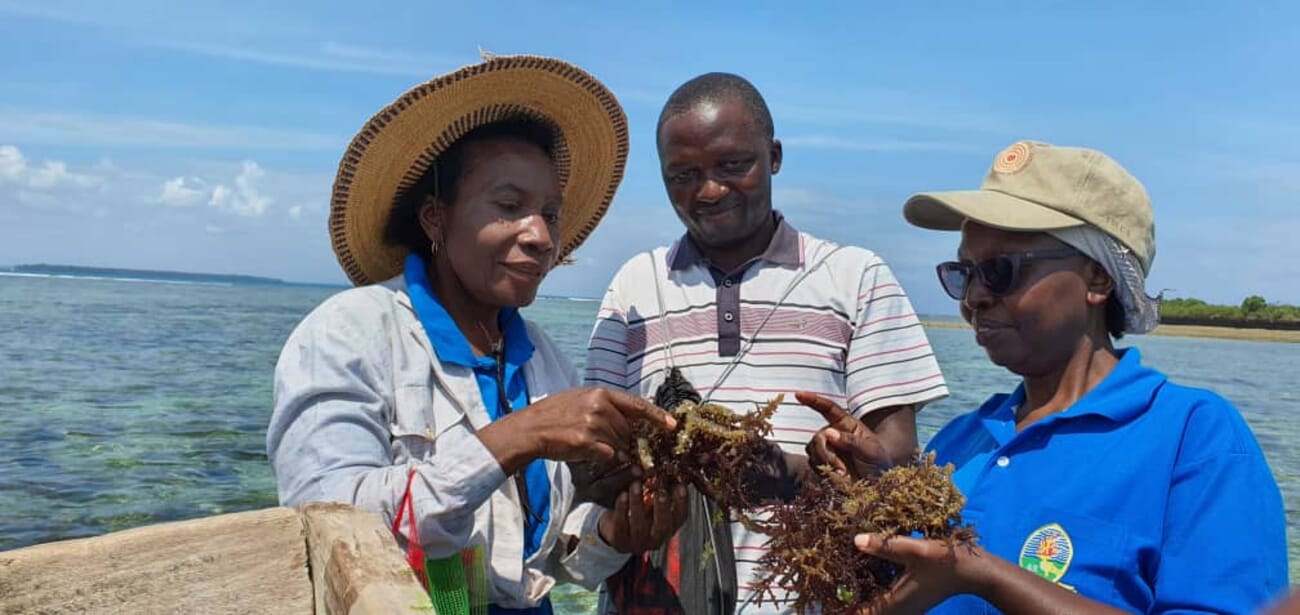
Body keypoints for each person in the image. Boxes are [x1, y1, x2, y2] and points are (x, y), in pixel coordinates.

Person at [266, 55, 687, 614]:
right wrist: (517, 437)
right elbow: (324, 527)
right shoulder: (350, 334)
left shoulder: (542, 361)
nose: (541, 235)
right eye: (509, 206)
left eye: (551, 214)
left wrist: (615, 532)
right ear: (435, 218)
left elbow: (546, 561)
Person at [801, 140, 1289, 614]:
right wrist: (876, 492)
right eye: (963, 273)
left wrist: (989, 577)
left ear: (1099, 279)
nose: (973, 298)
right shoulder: (961, 440)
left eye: (1000, 271)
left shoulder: (1195, 437)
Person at [583, 72, 949, 614]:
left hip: (815, 593)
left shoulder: (854, 277)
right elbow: (592, 459)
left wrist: (794, 472)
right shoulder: (634, 286)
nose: (708, 190)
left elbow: (896, 459)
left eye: (734, 165)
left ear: (773, 156)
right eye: (683, 175)